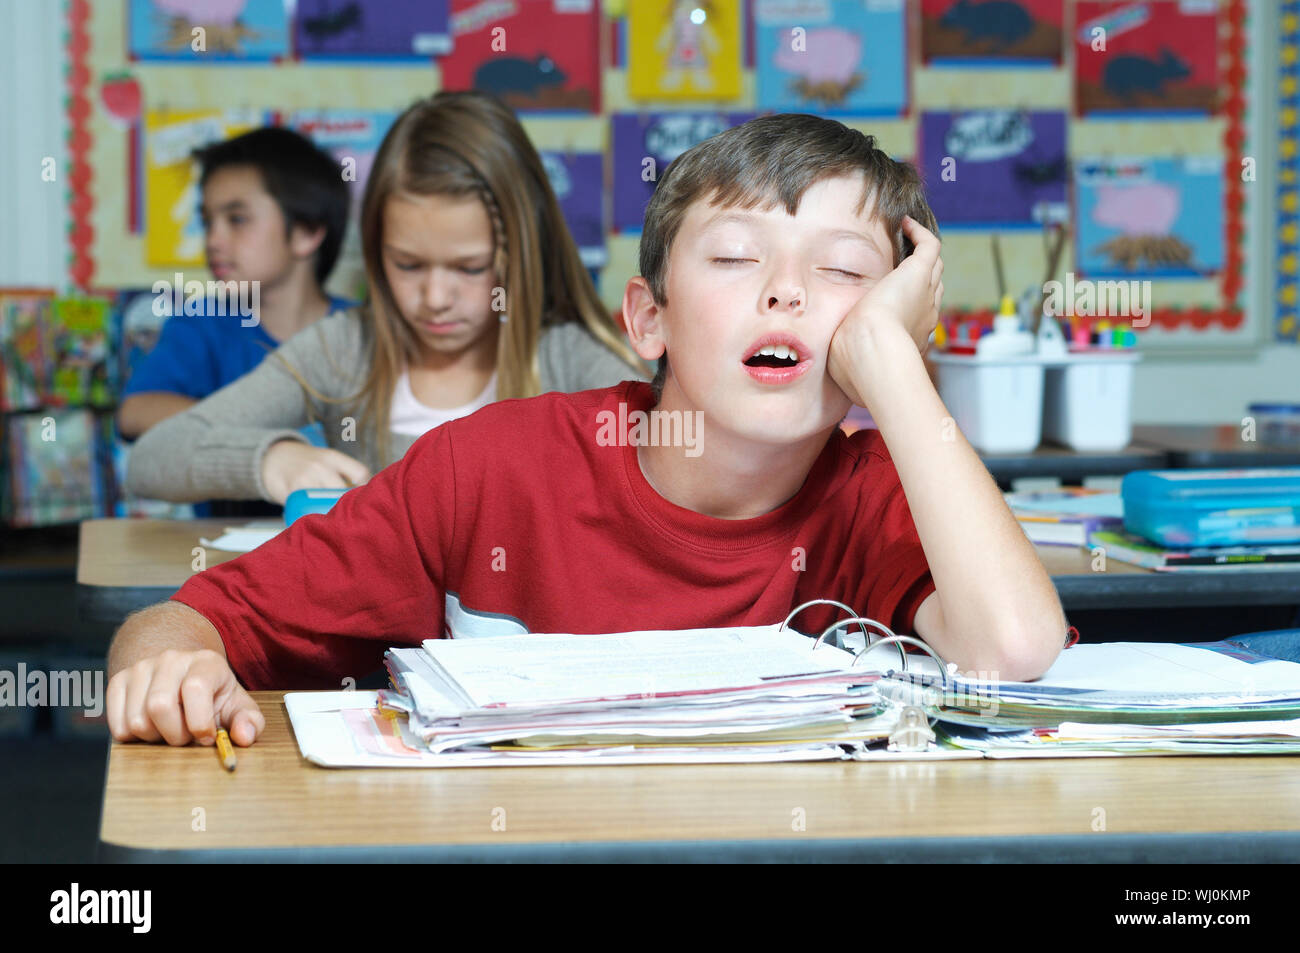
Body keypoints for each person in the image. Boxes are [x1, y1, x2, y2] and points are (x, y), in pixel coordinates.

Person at [106, 113, 1066, 748]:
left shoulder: (872, 493)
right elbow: (183, 619)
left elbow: (1015, 650)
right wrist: (164, 668)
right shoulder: (484, 467)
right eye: (735, 256)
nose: (786, 289)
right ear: (646, 319)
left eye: (845, 274)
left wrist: (895, 379)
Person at [125, 91, 645, 505]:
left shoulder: (567, 358)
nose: (435, 298)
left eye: (468, 267)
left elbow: (689, 464)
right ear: (374, 251)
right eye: (408, 265)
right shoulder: (341, 350)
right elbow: (153, 458)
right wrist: (271, 459)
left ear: (521, 252)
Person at [117, 127, 354, 440]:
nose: (213, 240)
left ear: (305, 233)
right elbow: (135, 412)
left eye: (237, 219)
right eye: (207, 222)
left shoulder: (365, 332)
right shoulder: (203, 324)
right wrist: (263, 436)